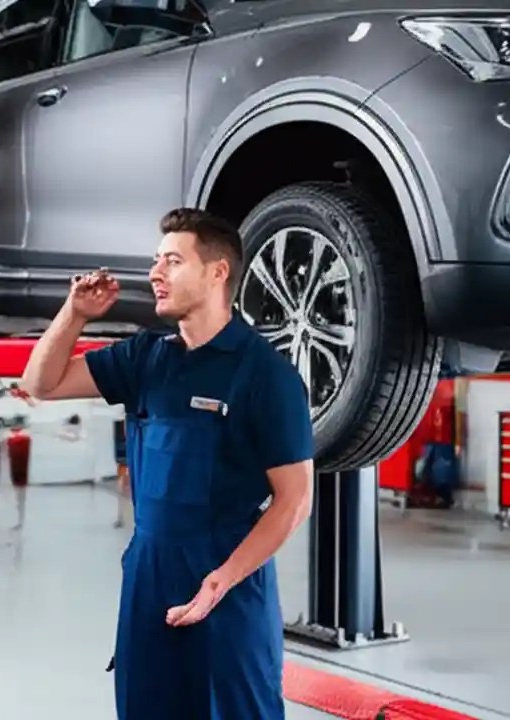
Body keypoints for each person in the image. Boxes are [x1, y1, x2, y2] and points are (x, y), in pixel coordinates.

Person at [19, 208, 314, 719]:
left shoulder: (266, 376)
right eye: (156, 261)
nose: (156, 272)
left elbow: (295, 499)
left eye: (172, 261)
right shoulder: (144, 359)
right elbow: (42, 384)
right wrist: (75, 315)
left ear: (217, 272)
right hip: (148, 577)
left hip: (226, 583)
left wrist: (222, 580)